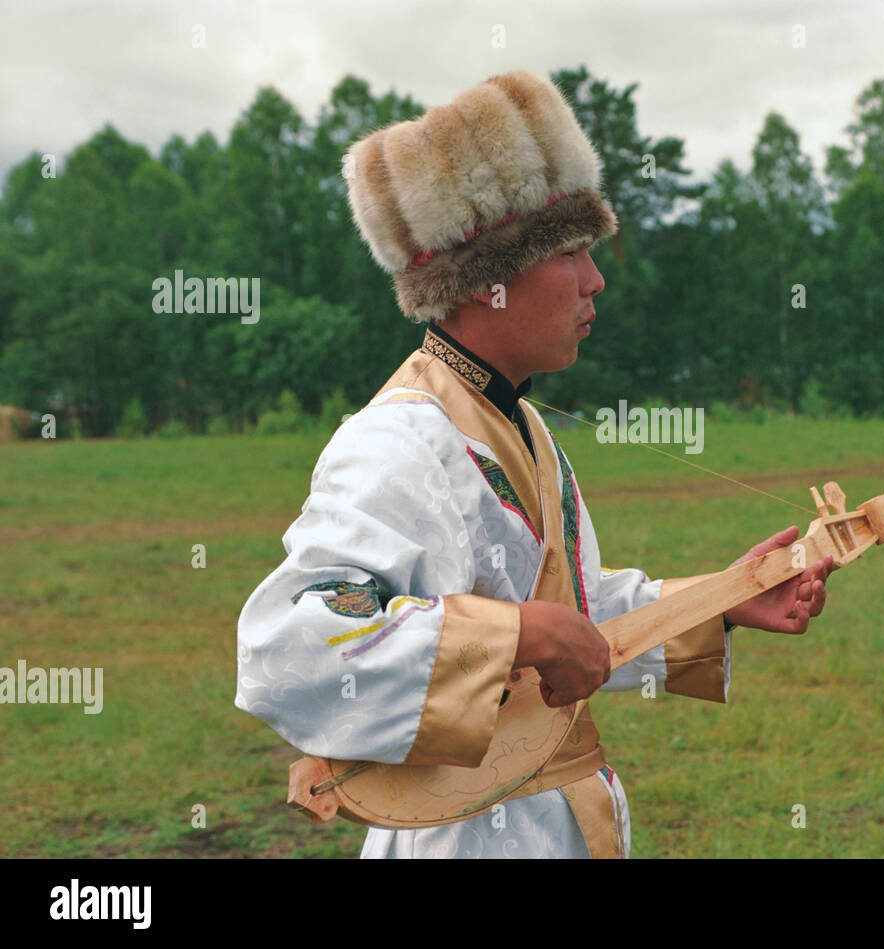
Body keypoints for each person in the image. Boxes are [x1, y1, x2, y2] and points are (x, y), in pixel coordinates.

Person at [235, 70, 833, 858]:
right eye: (573, 253)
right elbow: (292, 644)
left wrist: (727, 600)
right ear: (487, 281)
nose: (596, 280)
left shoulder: (513, 420)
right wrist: (516, 634)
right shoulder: (398, 440)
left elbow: (573, 616)